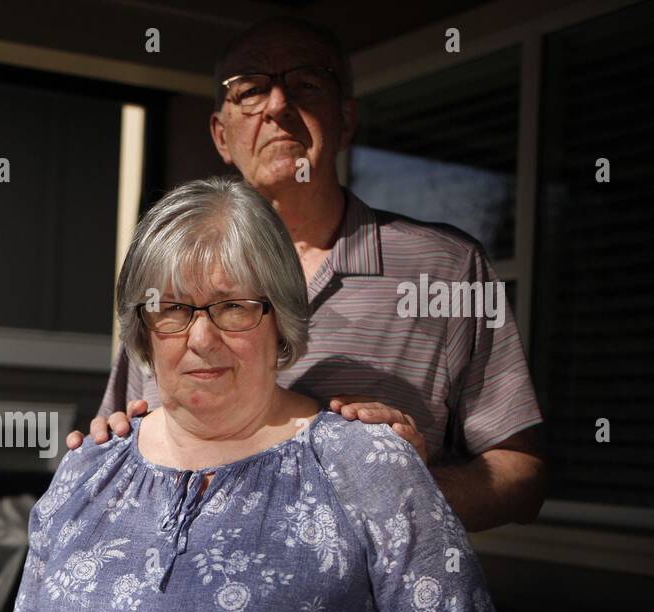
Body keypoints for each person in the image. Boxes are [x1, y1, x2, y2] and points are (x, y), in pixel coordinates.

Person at [0, 176, 510, 612]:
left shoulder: (368, 467)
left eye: (233, 308)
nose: (201, 338)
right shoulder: (88, 472)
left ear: (280, 318)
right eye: (172, 309)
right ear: (142, 326)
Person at [71, 16, 545, 533]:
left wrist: (405, 486)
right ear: (221, 136)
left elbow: (522, 474)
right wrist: (111, 445)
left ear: (346, 120)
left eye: (307, 84)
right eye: (250, 90)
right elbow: (125, 432)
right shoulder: (173, 277)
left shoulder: (446, 270)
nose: (278, 106)